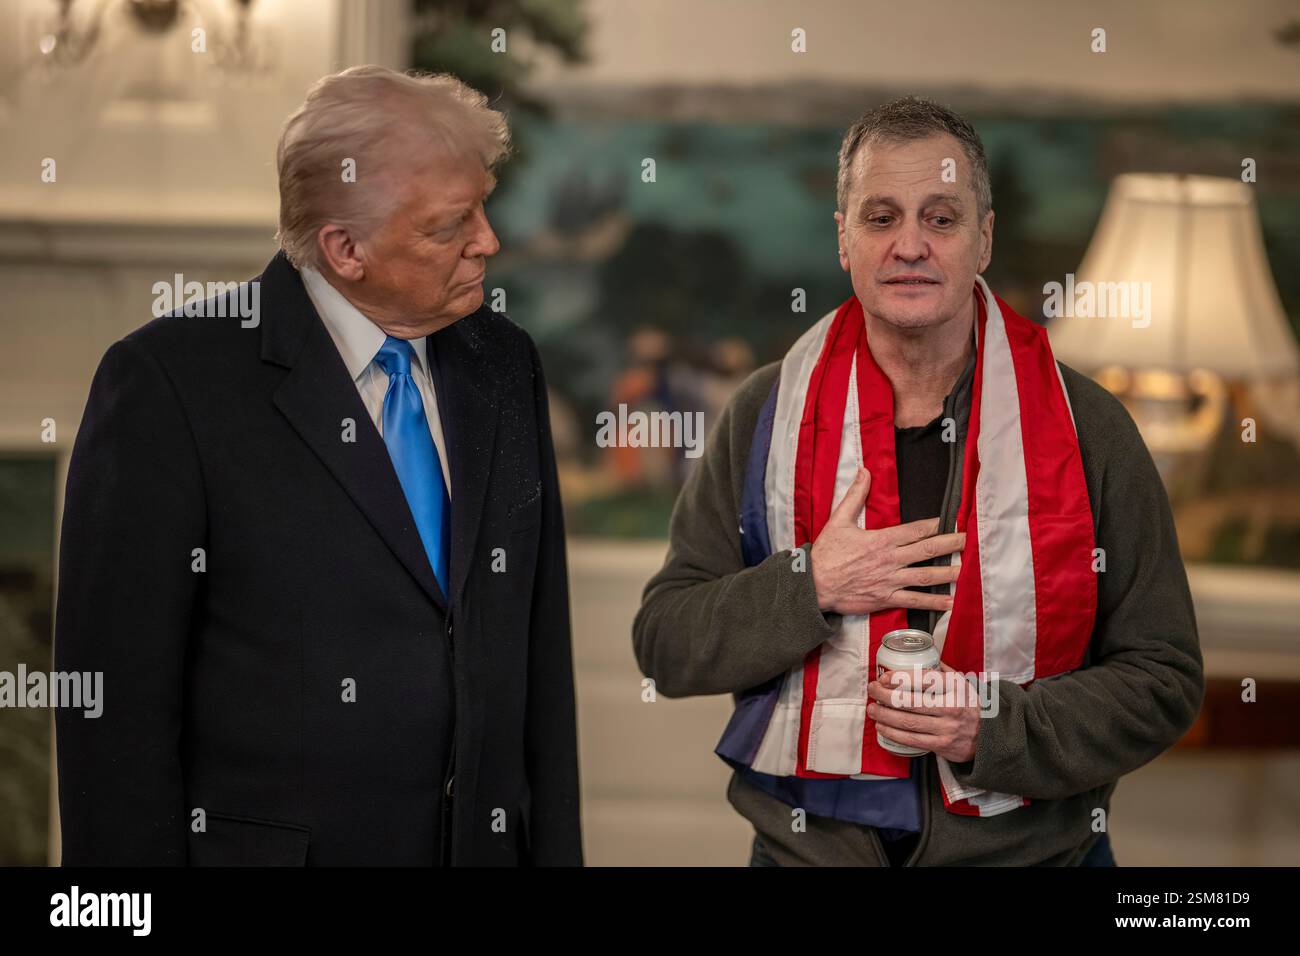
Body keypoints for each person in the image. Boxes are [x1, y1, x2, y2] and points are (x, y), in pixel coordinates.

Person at [632, 96, 1204, 866]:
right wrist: (810, 583)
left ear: (984, 237)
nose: (909, 245)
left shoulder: (1089, 427)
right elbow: (666, 643)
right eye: (880, 217)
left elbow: (1163, 679)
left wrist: (992, 726)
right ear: (843, 239)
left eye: (940, 218)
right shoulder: (765, 412)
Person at [54, 66, 582, 866]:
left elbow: (539, 669)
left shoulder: (505, 363)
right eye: (452, 224)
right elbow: (111, 714)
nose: (488, 240)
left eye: (484, 204)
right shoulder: (169, 383)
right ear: (345, 249)